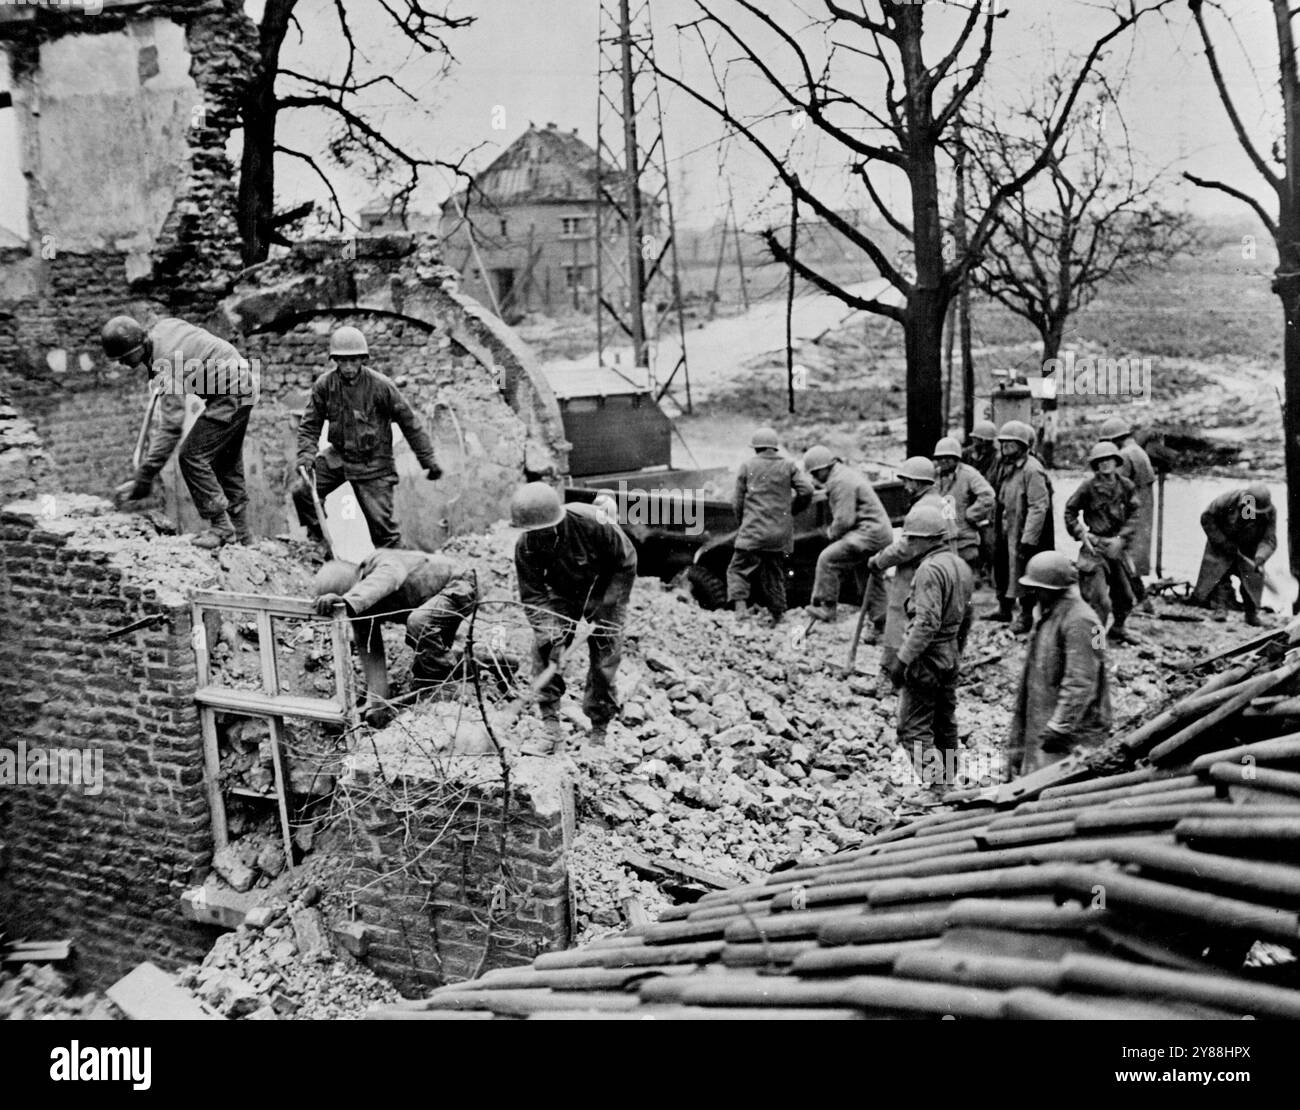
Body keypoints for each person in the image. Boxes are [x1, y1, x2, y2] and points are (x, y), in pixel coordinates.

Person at [102, 315, 258, 549]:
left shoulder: (165, 366)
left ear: (138, 347)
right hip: (242, 380)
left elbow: (172, 427)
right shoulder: (162, 328)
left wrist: (146, 474)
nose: (122, 364)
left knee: (192, 456)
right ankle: (244, 537)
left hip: (230, 391)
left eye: (124, 358)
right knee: (226, 460)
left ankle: (222, 529)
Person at [512, 482, 637, 752]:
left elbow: (626, 561)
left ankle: (599, 731)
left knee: (605, 654)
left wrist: (606, 607)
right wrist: (553, 639)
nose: (538, 537)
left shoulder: (592, 521)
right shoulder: (525, 546)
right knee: (542, 650)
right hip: (564, 590)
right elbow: (533, 595)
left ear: (556, 521)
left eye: (544, 531)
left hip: (605, 587)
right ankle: (551, 730)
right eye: (532, 532)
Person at [293, 325, 442, 552]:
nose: (349, 367)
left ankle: (396, 576)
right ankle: (319, 544)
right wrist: (305, 455)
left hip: (374, 464)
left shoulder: (381, 386)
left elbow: (409, 423)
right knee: (303, 491)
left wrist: (428, 460)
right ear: (335, 361)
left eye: (354, 360)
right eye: (343, 361)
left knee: (384, 535)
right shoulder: (325, 385)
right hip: (339, 457)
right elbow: (310, 425)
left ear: (363, 359)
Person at [311, 550, 478, 724]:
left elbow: (391, 576)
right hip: (432, 605)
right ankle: (471, 668)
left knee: (419, 622)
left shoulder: (380, 562)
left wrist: (347, 600)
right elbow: (371, 653)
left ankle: (446, 689)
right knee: (425, 667)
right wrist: (377, 705)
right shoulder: (361, 606)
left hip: (460, 583)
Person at [882, 503, 974, 795]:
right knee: (944, 721)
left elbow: (926, 622)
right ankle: (949, 777)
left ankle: (938, 785)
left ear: (926, 539)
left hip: (927, 657)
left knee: (912, 728)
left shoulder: (928, 570)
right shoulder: (959, 565)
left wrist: (902, 659)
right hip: (949, 654)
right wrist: (956, 649)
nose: (908, 544)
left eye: (911, 538)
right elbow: (968, 617)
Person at [1006, 552, 1110, 777]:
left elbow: (1081, 680)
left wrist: (1060, 725)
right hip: (1045, 714)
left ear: (1053, 589)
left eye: (1039, 589)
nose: (1035, 593)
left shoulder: (1082, 620)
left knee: (1056, 787)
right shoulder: (1050, 613)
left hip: (1071, 730)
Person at [727, 427, 815, 623]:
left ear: (756, 448)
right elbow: (807, 490)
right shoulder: (789, 466)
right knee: (774, 573)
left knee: (738, 569)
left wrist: (743, 523)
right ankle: (778, 615)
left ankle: (741, 611)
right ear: (774, 448)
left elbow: (737, 502)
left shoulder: (747, 466)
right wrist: (793, 510)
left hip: (754, 531)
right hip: (779, 534)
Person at [803, 445, 892, 627]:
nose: (814, 478)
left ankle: (826, 607)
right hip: (877, 532)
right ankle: (882, 621)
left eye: (815, 473)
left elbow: (844, 520)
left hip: (868, 533)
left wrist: (830, 533)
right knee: (867, 576)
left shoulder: (839, 481)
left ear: (824, 468)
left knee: (827, 559)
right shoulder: (842, 475)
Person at [1065, 441, 1140, 644]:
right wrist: (1081, 533)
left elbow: (1135, 514)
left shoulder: (1126, 486)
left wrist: (1121, 538)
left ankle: (1118, 628)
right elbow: (1070, 511)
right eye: (1100, 462)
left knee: (1125, 596)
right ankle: (1095, 641)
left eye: (1109, 460)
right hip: (1095, 548)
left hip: (1116, 547)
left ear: (1117, 462)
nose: (1105, 465)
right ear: (1095, 465)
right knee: (1100, 601)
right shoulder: (1088, 487)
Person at [991, 420, 1054, 634]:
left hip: (1022, 531)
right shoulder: (1004, 466)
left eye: (1012, 442)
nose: (1006, 446)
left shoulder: (1032, 469)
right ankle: (1004, 608)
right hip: (1006, 527)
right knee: (1002, 568)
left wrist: (1029, 538)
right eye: (1004, 442)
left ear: (1023, 445)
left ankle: (1026, 616)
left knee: (1025, 572)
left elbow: (1039, 506)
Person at [1192, 484, 1277, 626]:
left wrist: (1260, 556)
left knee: (1252, 579)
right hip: (1221, 544)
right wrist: (1222, 541)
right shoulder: (1226, 501)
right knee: (1219, 576)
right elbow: (1207, 518)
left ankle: (1251, 614)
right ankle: (1220, 609)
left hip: (1249, 548)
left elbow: (1269, 539)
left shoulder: (1269, 512)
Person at [1101, 415, 1156, 590]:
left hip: (1131, 510)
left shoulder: (1124, 455)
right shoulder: (1138, 451)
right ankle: (1135, 592)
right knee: (1133, 552)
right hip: (1143, 509)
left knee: (1122, 551)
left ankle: (1135, 595)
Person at [932, 437, 995, 570]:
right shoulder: (934, 475)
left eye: (948, 457)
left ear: (956, 458)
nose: (943, 461)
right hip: (940, 538)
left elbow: (988, 495)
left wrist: (971, 515)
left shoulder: (968, 474)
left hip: (964, 538)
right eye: (940, 457)